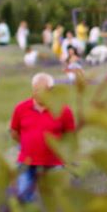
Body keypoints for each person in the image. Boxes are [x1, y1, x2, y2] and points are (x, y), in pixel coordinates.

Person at [9, 73, 76, 203]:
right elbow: (14, 132)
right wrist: (28, 144)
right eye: (35, 90)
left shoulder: (64, 110)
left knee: (56, 200)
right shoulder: (21, 108)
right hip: (26, 162)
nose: (37, 93)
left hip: (54, 163)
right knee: (23, 197)